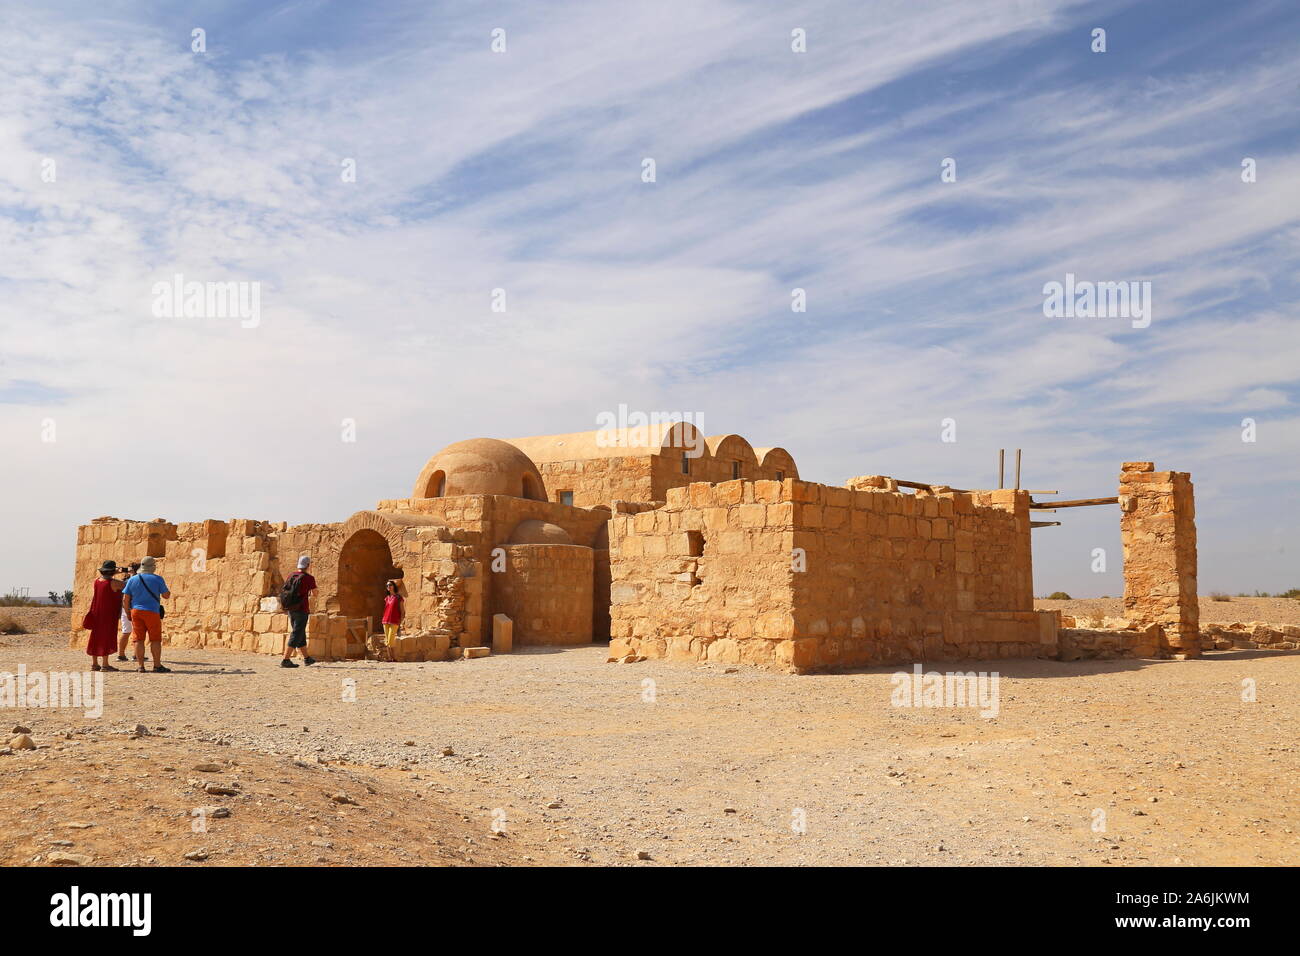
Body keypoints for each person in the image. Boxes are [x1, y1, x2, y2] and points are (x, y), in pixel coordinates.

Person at [122, 555, 171, 673]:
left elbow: (125, 598)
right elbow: (166, 595)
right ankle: (157, 665)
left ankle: (141, 666)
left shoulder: (132, 579)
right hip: (152, 612)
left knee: (138, 640)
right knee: (155, 639)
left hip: (136, 612)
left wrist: (128, 612)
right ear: (153, 567)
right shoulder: (158, 579)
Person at [83, 560, 124, 671]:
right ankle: (105, 664)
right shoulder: (114, 583)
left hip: (96, 613)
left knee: (96, 637)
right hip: (108, 614)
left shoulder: (96, 581)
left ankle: (95, 664)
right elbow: (127, 586)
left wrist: (113, 573)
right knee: (107, 637)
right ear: (113, 571)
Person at [281, 555, 317, 669]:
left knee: (300, 632)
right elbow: (316, 593)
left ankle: (307, 658)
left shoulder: (291, 575)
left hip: (291, 609)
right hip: (302, 609)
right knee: (296, 633)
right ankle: (285, 659)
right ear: (308, 565)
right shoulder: (309, 578)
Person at [116, 561, 140, 662]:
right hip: (134, 608)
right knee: (137, 632)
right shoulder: (137, 580)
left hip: (124, 608)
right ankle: (136, 655)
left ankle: (121, 655)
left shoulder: (124, 581)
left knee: (126, 632)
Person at [381, 579, 403, 652]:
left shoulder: (398, 597)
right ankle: (390, 658)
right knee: (387, 640)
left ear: (394, 586)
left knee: (390, 640)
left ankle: (393, 657)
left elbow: (402, 610)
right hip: (385, 620)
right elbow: (386, 609)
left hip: (394, 621)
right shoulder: (386, 598)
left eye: (390, 585)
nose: (388, 586)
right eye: (387, 585)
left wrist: (401, 621)